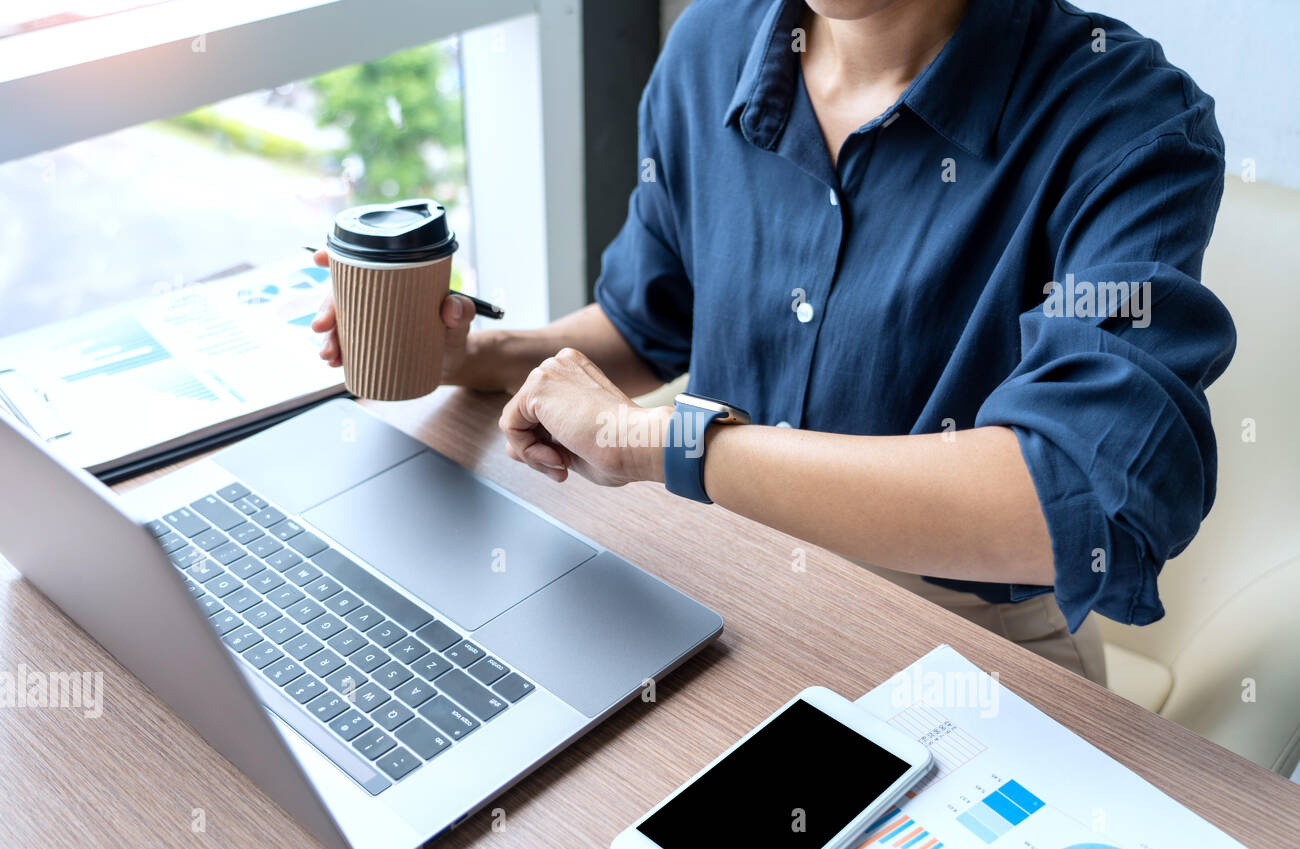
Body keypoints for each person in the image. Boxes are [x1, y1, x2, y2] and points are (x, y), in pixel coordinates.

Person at [311, 0, 1236, 685]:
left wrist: (666, 442)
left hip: (965, 639)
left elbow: (1070, 497)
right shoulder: (713, 46)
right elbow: (646, 325)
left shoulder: (1131, 124)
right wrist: (473, 358)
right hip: (719, 579)